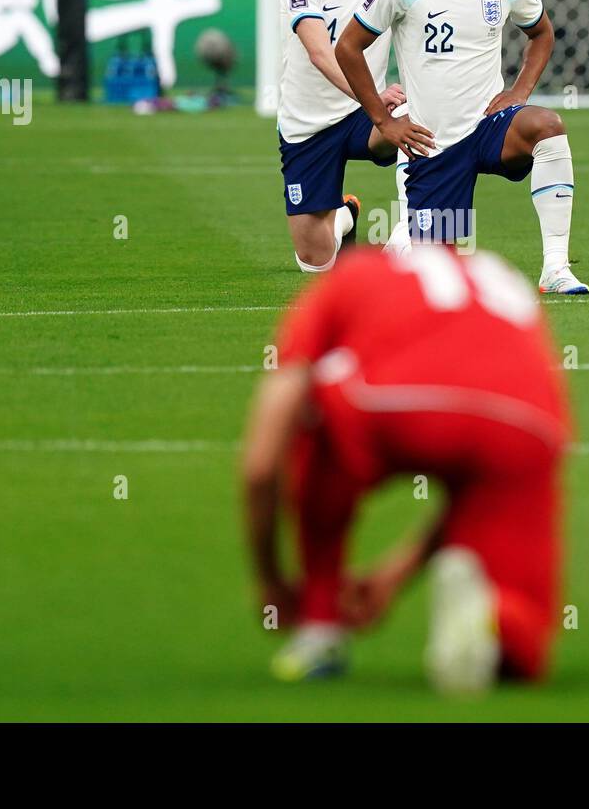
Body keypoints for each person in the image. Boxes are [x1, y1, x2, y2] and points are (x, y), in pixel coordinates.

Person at [241, 243, 571, 693]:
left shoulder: (346, 278)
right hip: (530, 422)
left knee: (315, 411)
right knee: (525, 626)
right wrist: (398, 573)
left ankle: (321, 624)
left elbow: (262, 463)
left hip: (395, 401)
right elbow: (470, 472)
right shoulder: (493, 269)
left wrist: (270, 580)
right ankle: (495, 622)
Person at [336, 0, 589, 295]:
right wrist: (384, 121)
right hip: (433, 146)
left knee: (548, 127)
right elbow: (348, 48)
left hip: (489, 129)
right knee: (437, 275)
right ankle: (379, 243)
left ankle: (556, 268)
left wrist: (519, 93)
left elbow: (542, 33)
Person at [278, 0, 406, 272]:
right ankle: (346, 215)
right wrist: (371, 96)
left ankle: (410, 233)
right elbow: (319, 51)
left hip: (365, 117)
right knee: (317, 263)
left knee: (416, 121)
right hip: (308, 125)